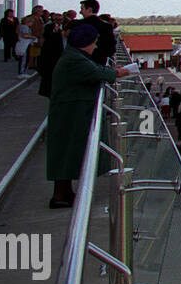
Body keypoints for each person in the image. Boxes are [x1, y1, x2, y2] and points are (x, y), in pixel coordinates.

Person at [45, 23, 132, 207]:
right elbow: (97, 72)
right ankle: (61, 194)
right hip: (69, 113)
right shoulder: (75, 59)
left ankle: (64, 192)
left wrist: (112, 71)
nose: (95, 46)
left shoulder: (73, 56)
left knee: (66, 154)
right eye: (94, 42)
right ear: (85, 42)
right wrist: (117, 72)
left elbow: (95, 71)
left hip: (69, 110)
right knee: (66, 153)